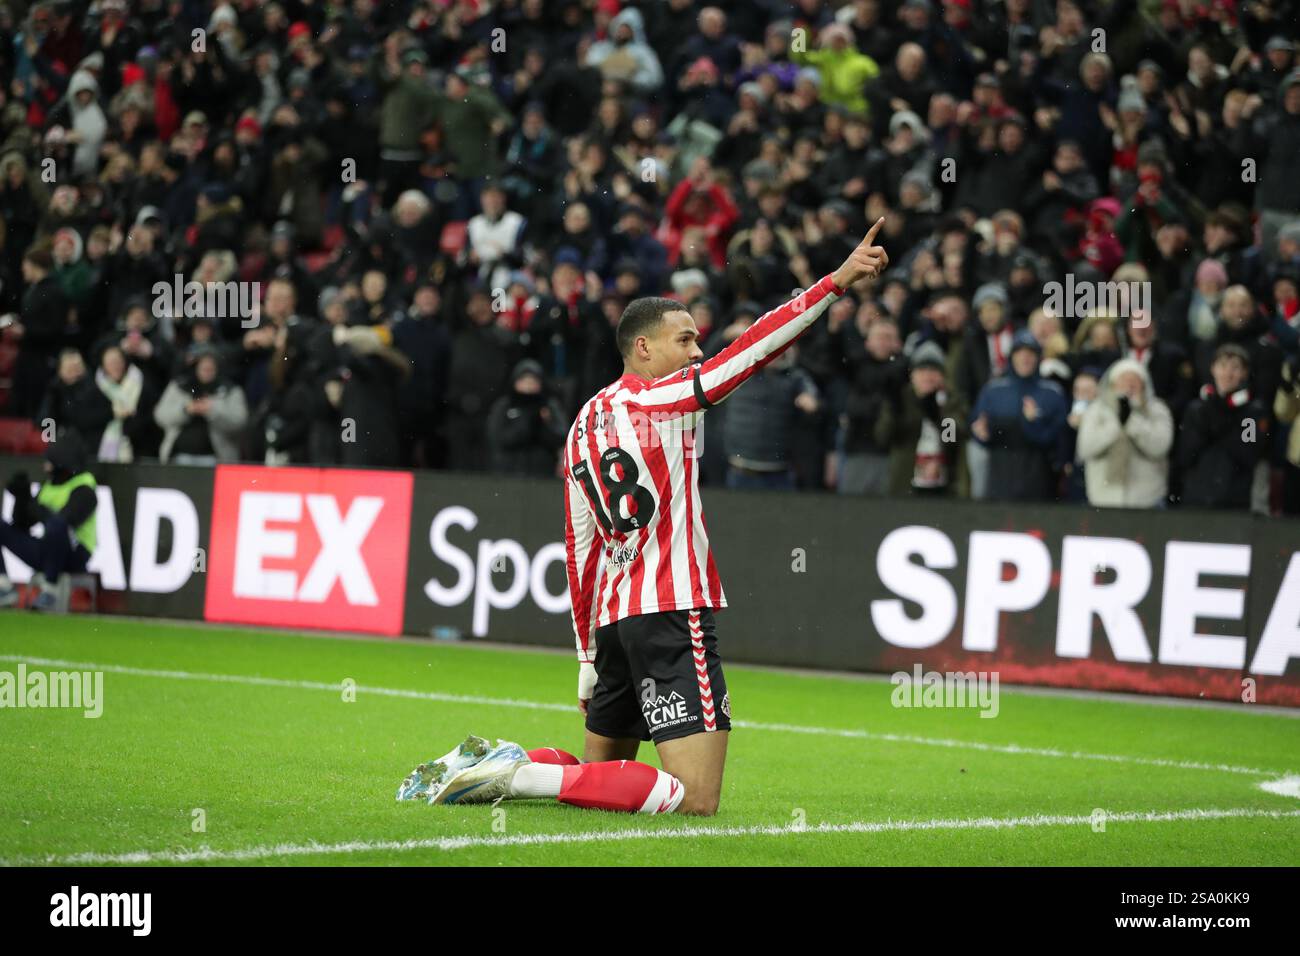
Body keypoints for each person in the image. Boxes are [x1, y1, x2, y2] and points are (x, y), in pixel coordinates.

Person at [405, 219, 890, 815]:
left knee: (597, 777)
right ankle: (518, 773)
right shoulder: (661, 397)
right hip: (671, 612)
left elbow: (578, 548)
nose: (697, 351)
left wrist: (586, 656)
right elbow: (753, 350)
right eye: (684, 341)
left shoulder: (582, 423)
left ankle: (505, 765)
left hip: (613, 623)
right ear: (644, 348)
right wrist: (836, 282)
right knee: (693, 801)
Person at [0, 430, 98, 611]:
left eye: (49, 460)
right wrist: (22, 498)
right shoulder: (49, 486)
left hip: (75, 555)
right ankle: (3, 586)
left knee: (57, 525)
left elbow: (65, 521)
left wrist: (33, 505)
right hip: (48, 553)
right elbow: (22, 524)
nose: (45, 464)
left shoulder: (84, 489)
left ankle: (50, 589)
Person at [1076, 359, 1175, 508]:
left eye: (1134, 380)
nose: (1129, 385)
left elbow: (1160, 447)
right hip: (1103, 499)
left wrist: (1132, 420)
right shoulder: (1097, 409)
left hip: (1147, 500)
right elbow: (1085, 448)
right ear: (1113, 383)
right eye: (1124, 380)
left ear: (1144, 384)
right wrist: (1117, 423)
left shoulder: (1157, 409)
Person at [1177, 343, 1266, 509]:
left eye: (1235, 368)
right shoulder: (1196, 409)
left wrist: (1221, 416)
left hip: (1234, 500)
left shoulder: (1253, 412)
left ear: (1245, 373)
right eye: (1223, 366)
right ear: (1213, 369)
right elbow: (1186, 454)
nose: (1228, 373)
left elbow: (1248, 453)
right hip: (1196, 498)